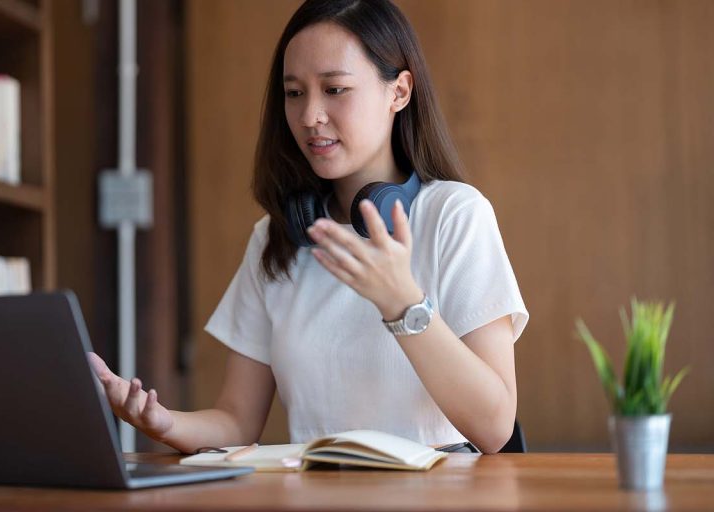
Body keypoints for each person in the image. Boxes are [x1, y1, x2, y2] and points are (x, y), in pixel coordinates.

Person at [89, 0, 528, 454]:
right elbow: (237, 420)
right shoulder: (275, 237)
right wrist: (161, 422)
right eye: (294, 92)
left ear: (398, 92)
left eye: (335, 89)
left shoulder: (455, 215)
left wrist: (403, 303)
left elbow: (495, 428)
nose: (309, 116)